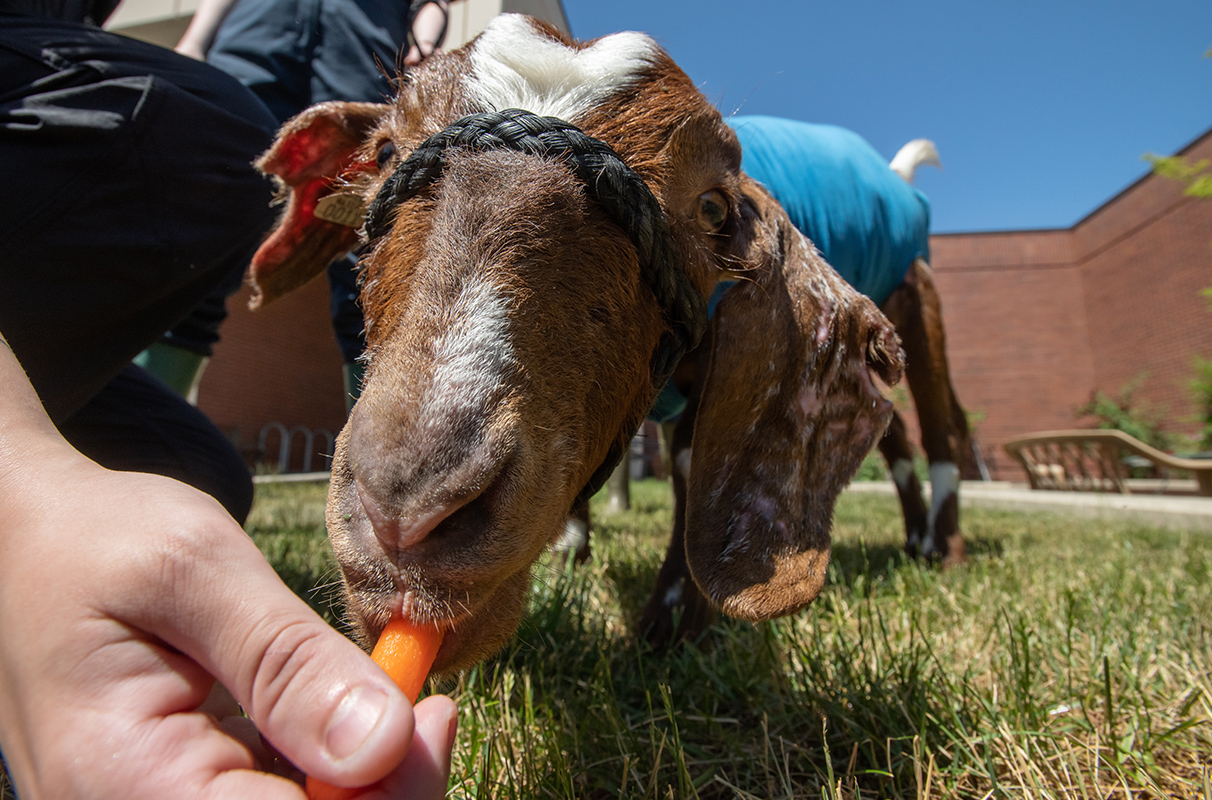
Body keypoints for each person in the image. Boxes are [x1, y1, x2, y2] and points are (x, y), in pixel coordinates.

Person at [0, 1, 456, 796]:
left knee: (198, 467)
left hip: (363, 23)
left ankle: (390, 483)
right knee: (221, 153)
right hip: (260, 22)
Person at [165, 0, 456, 410]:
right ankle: (138, 430)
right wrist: (195, 40)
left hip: (361, 52)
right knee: (205, 227)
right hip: (255, 34)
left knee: (365, 256)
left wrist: (424, 44)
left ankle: (372, 452)